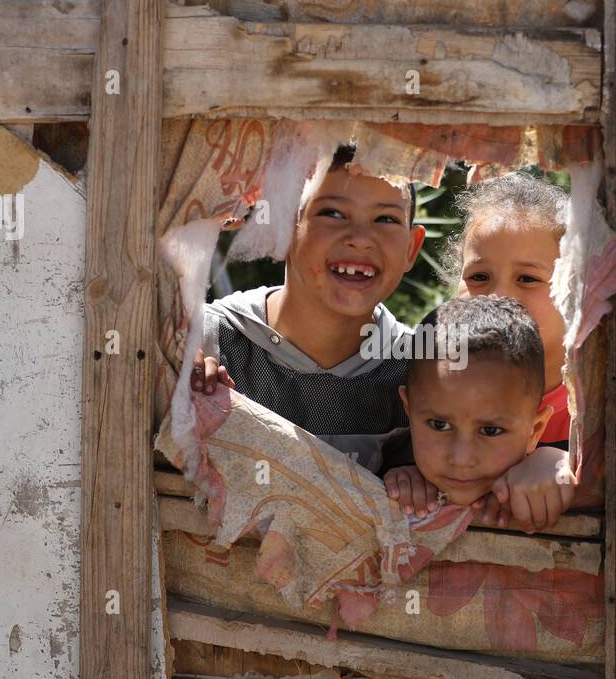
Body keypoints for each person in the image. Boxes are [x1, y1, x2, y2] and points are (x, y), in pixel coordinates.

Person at [191, 146, 425, 467]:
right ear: (283, 228)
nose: (360, 238)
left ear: (412, 248)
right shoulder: (207, 345)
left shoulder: (420, 372)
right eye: (332, 213)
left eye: (385, 219)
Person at [387, 172, 577, 531]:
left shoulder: (597, 403)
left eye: (528, 279)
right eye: (478, 277)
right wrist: (407, 475)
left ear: (574, 288)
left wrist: (559, 462)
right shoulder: (430, 372)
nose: (499, 295)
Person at [383, 296, 554, 512]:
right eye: (439, 425)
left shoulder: (550, 477)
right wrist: (398, 481)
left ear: (535, 431)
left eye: (490, 430)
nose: (461, 460)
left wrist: (555, 464)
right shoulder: (395, 477)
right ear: (409, 412)